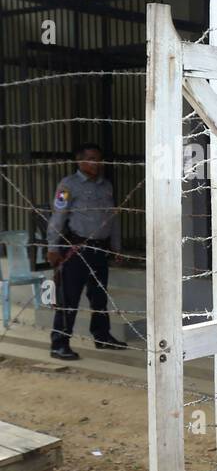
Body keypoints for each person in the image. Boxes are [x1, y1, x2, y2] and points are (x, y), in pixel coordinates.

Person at [46, 142, 126, 359]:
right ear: (80, 161)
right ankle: (59, 343)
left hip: (99, 249)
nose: (96, 163)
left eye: (98, 159)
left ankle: (102, 336)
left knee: (99, 296)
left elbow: (113, 218)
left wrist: (117, 247)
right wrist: (53, 247)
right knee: (69, 297)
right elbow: (58, 217)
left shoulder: (106, 186)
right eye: (91, 159)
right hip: (76, 249)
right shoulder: (67, 186)